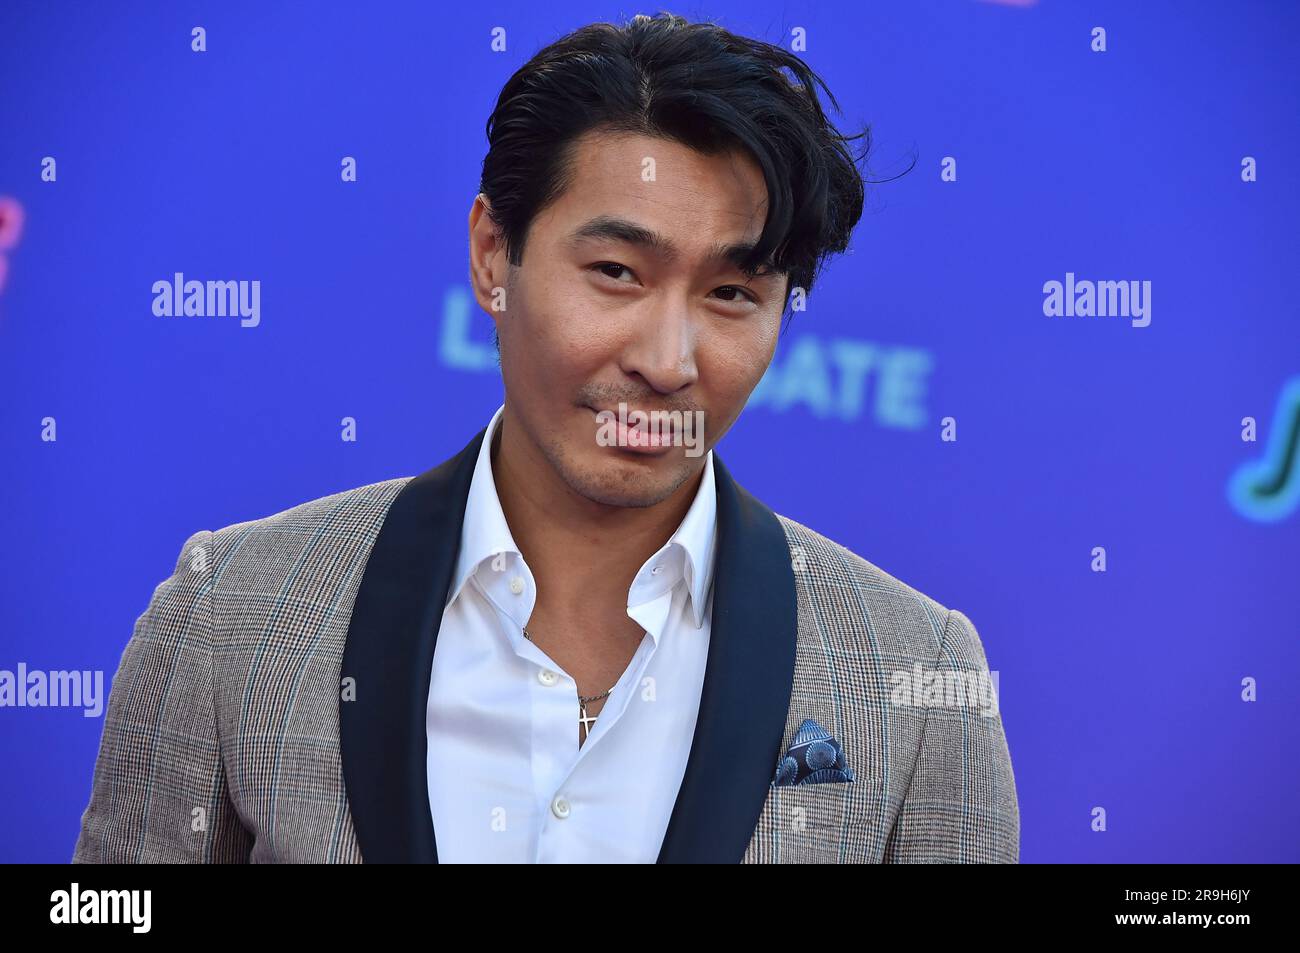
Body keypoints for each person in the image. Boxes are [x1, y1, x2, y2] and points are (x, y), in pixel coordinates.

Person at [73, 12, 1018, 864]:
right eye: (615, 270)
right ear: (494, 255)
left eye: (734, 292)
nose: (668, 357)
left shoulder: (917, 671)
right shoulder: (231, 613)